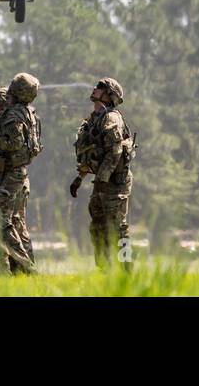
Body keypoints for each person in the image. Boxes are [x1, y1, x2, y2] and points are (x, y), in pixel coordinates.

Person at [71, 77, 135, 267]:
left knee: (118, 228)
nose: (95, 88)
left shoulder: (111, 118)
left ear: (110, 95)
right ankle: (105, 269)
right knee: (98, 227)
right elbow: (89, 153)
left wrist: (101, 180)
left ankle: (126, 268)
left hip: (115, 183)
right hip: (102, 181)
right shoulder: (94, 118)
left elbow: (114, 153)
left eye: (100, 87)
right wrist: (79, 178)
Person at [0, 72, 42, 274]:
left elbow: (14, 143)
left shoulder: (13, 115)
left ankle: (27, 268)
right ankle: (5, 272)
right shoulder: (28, 112)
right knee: (7, 223)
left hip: (10, 175)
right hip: (17, 175)